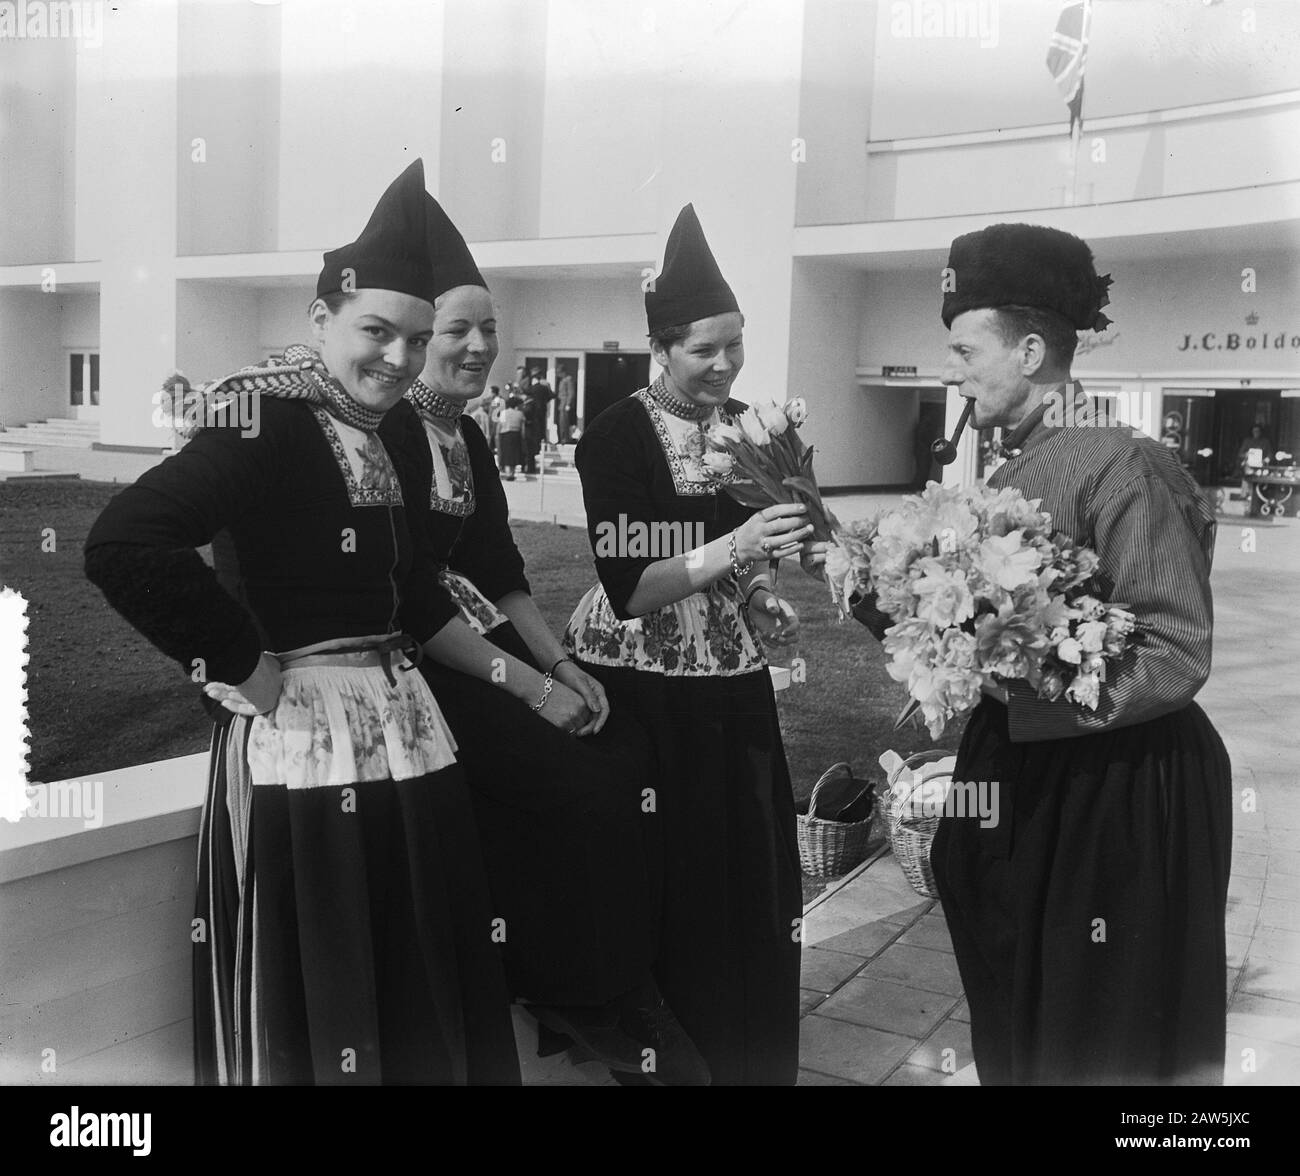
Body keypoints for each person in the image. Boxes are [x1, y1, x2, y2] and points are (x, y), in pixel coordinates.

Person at [83, 160, 519, 1085]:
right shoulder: (264, 417)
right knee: (327, 998)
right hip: (304, 749)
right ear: (319, 321)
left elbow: (406, 592)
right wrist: (242, 662)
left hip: (404, 736)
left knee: (414, 983)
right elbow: (127, 543)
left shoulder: (381, 424)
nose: (398, 360)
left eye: (412, 338)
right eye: (374, 332)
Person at [376, 191, 708, 1085]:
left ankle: (615, 977)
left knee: (625, 746)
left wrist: (560, 662)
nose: (480, 347)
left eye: (489, 328)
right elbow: (411, 597)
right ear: (414, 340)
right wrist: (530, 689)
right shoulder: (393, 435)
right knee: (567, 774)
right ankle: (574, 991)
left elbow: (501, 566)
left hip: (480, 633)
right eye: (457, 331)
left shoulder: (471, 438)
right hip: (420, 657)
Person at [924, 222, 1232, 1085]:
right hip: (1030, 768)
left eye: (963, 349)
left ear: (1029, 351)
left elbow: (1173, 648)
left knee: (1094, 1031)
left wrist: (1012, 693)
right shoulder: (1017, 461)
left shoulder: (1121, 465)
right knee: (1018, 1000)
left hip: (1116, 791)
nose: (951, 370)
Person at [562, 204, 823, 1085]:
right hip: (643, 675)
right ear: (662, 348)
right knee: (673, 867)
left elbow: (742, 544)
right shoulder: (615, 436)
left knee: (750, 861)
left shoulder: (749, 427)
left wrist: (760, 592)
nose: (724, 366)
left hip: (729, 670)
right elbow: (633, 585)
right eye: (704, 349)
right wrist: (740, 552)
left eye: (735, 345)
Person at [496, 395, 525, 480]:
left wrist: (497, 436)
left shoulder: (503, 413)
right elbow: (523, 428)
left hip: (505, 434)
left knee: (507, 455)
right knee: (514, 454)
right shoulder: (520, 413)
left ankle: (508, 473)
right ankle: (512, 473)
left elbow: (499, 426)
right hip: (516, 434)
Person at [557, 370, 576, 442]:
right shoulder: (562, 380)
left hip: (565, 403)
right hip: (561, 403)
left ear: (563, 372)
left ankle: (565, 439)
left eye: (559, 373)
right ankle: (561, 438)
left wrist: (568, 404)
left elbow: (571, 393)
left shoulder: (568, 379)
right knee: (561, 423)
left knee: (564, 423)